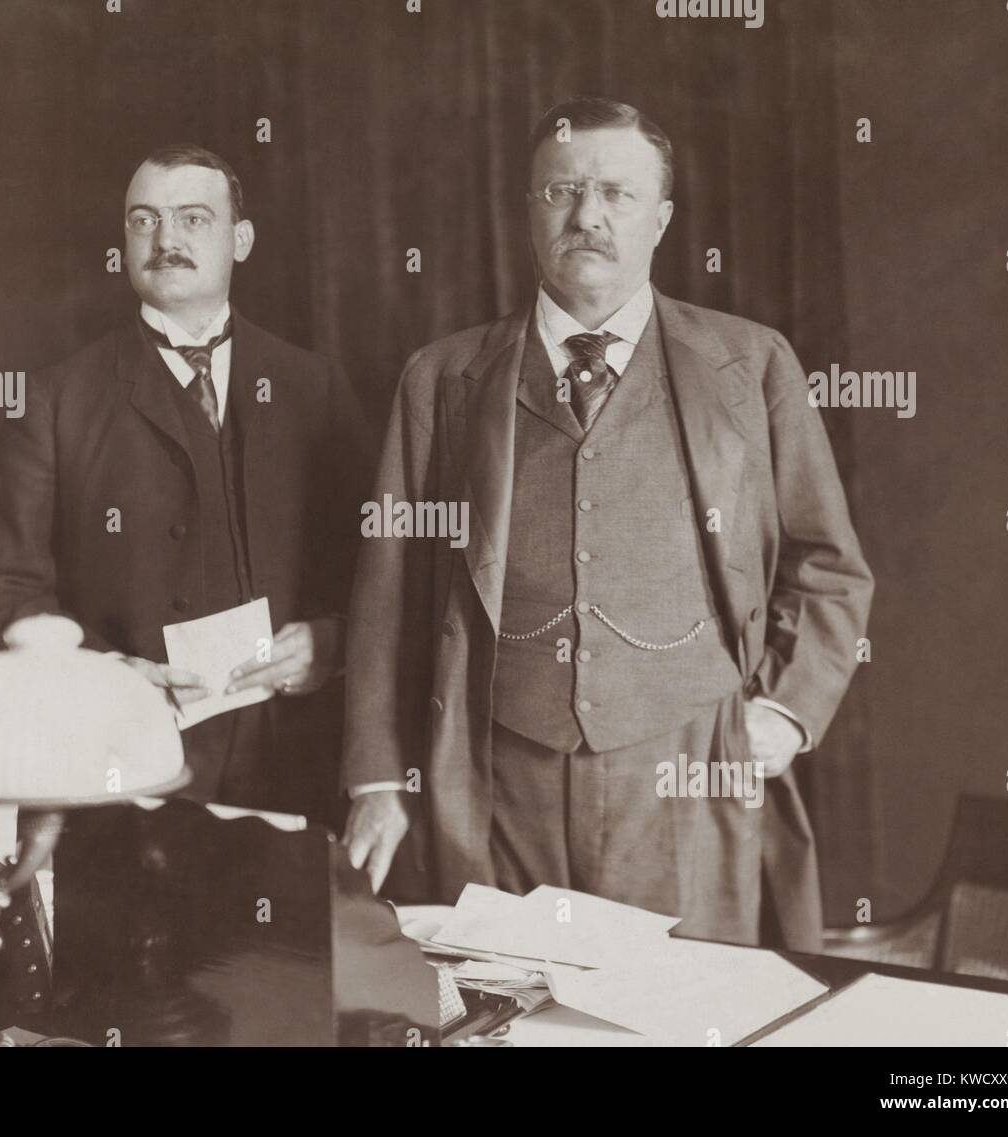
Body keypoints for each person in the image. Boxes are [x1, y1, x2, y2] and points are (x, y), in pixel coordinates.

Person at [340, 97, 872, 949]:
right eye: (561, 193)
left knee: (681, 1016)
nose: (587, 216)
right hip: (489, 775)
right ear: (525, 212)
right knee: (505, 1010)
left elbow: (828, 567)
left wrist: (783, 711)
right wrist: (375, 775)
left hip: (689, 774)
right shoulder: (441, 379)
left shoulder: (752, 364)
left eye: (617, 195)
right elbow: (385, 596)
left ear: (661, 218)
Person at [0, 143, 370, 819]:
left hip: (301, 766)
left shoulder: (315, 386)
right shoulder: (54, 399)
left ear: (239, 240)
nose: (166, 240)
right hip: (124, 769)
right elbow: (3, 590)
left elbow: (383, 569)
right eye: (143, 221)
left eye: (193, 219)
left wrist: (333, 643)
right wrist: (97, 673)